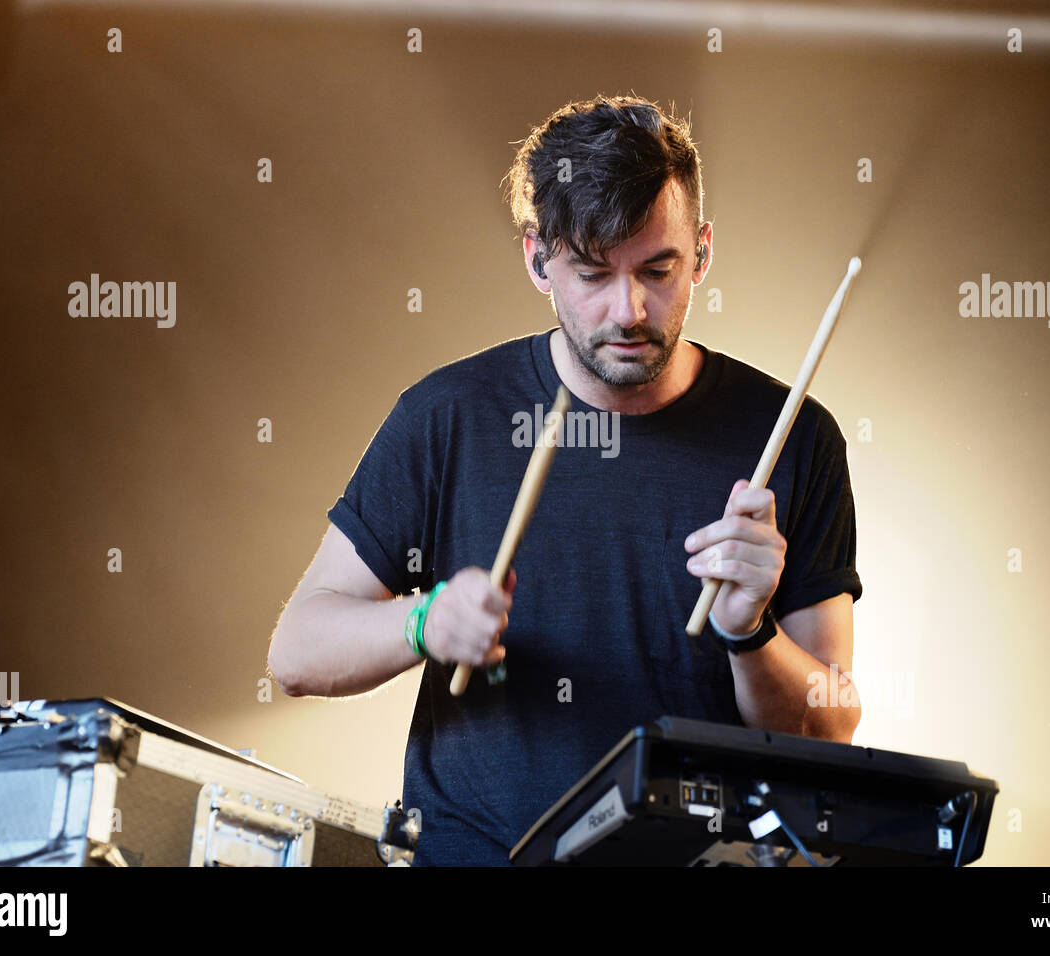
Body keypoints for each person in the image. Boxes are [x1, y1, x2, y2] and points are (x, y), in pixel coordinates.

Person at [267, 94, 863, 866]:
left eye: (659, 269)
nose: (630, 309)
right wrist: (424, 623)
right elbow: (296, 653)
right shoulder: (447, 417)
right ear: (536, 259)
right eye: (591, 273)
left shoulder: (793, 438)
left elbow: (830, 728)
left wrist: (750, 633)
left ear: (704, 253)